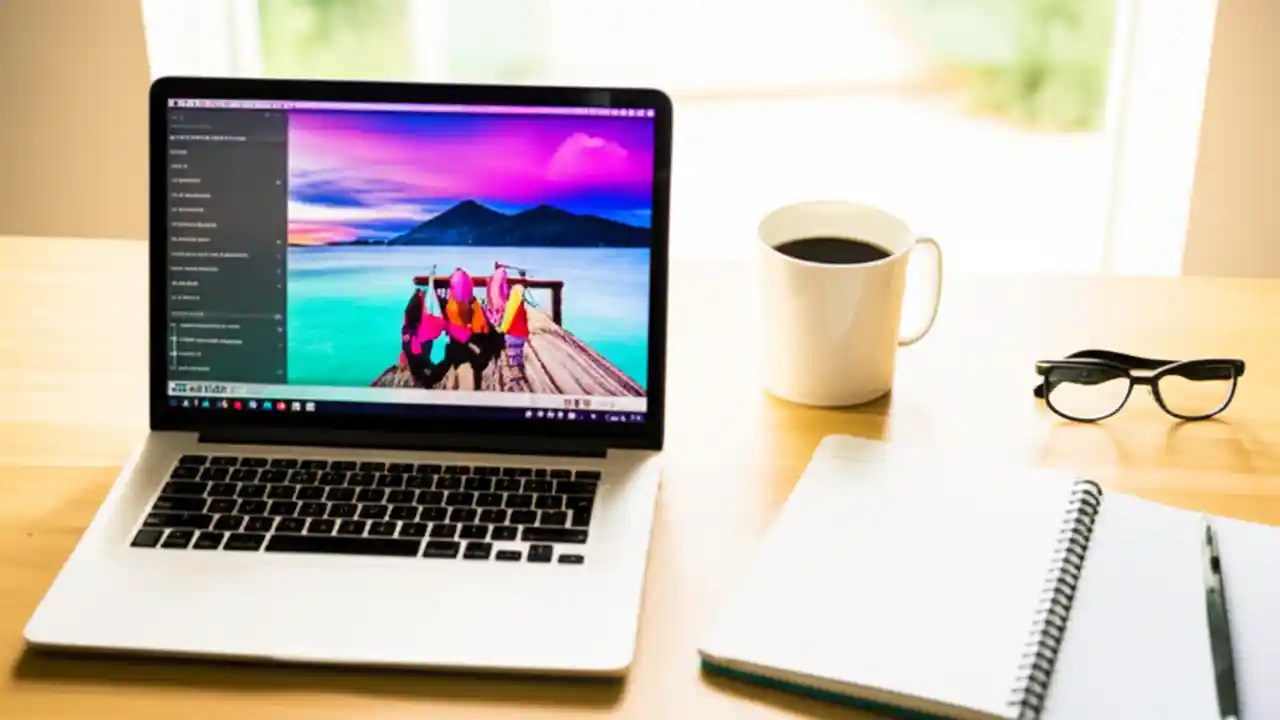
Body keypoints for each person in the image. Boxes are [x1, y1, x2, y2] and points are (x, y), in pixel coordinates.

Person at [399, 288, 444, 388]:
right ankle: (427, 382)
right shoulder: (421, 302)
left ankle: (425, 382)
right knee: (422, 363)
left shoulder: (417, 302)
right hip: (417, 335)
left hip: (415, 334)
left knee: (420, 364)